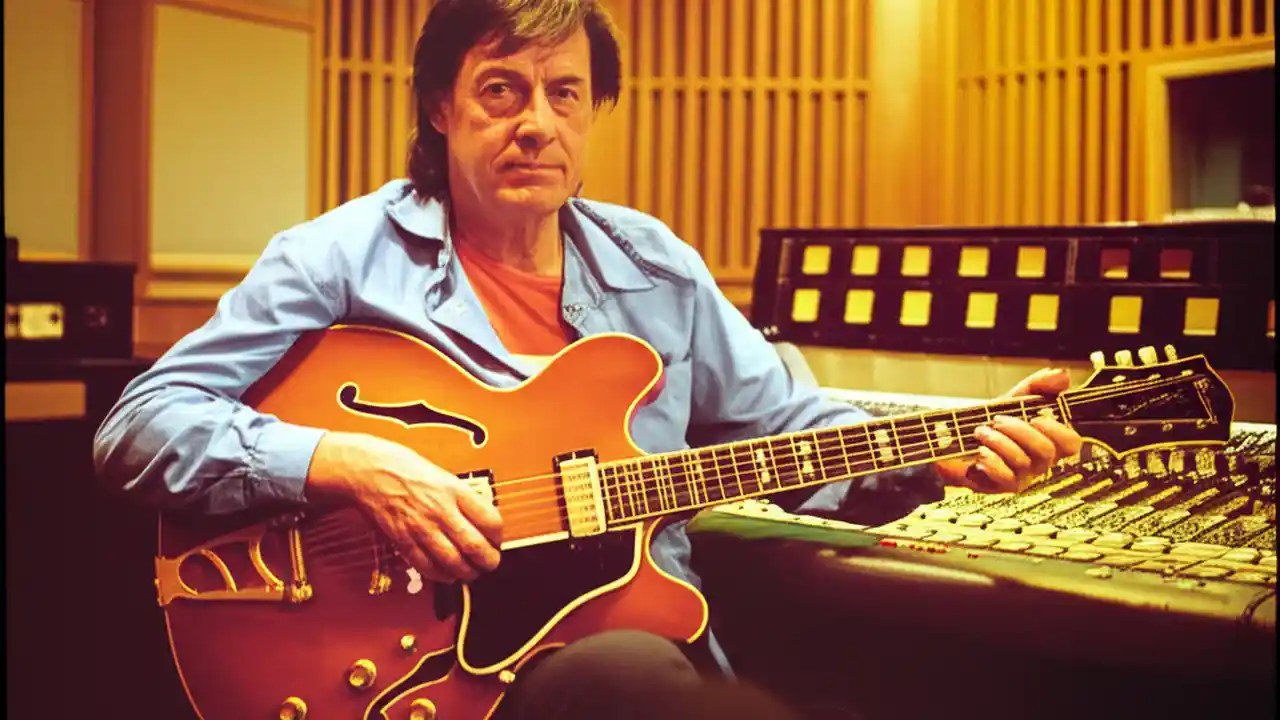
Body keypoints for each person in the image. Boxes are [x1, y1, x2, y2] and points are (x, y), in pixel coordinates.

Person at [93, 1, 1082, 718]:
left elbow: (783, 429)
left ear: (592, 110)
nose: (536, 122)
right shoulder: (338, 256)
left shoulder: (655, 268)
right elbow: (142, 425)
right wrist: (348, 463)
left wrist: (939, 447)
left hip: (611, 641)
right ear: (440, 108)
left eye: (565, 94)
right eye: (501, 91)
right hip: (403, 664)